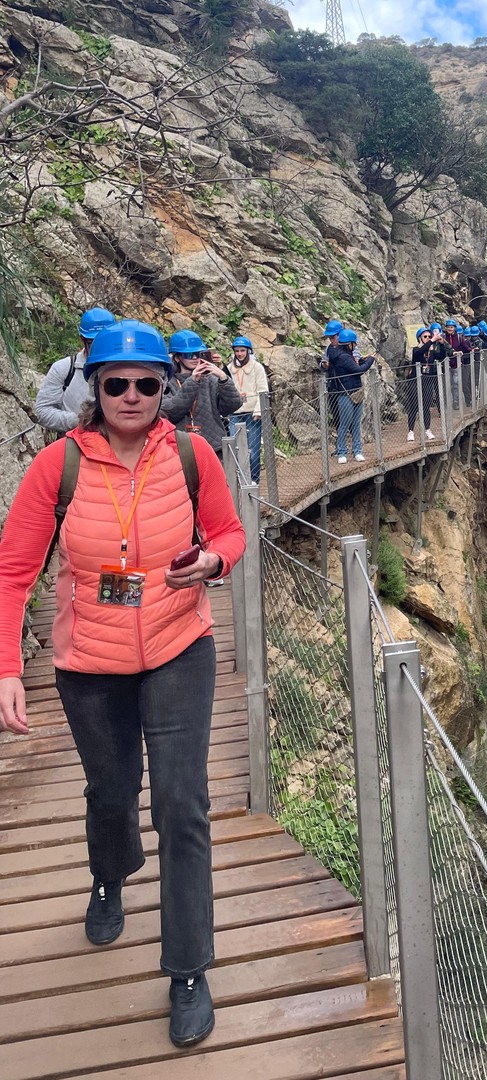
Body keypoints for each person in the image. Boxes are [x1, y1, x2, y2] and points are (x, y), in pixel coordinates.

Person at [0, 319, 247, 1048]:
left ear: (164, 386)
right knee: (112, 790)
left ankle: (189, 967)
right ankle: (110, 874)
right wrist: (8, 667)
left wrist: (214, 565)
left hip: (178, 645)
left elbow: (230, 533)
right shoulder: (59, 467)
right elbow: (14, 571)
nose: (133, 396)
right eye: (117, 384)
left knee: (182, 801)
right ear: (95, 388)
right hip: (90, 664)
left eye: (146, 383)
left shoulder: (194, 456)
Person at [34, 307, 117, 436]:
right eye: (93, 343)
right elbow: (42, 411)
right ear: (82, 340)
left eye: (105, 343)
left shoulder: (127, 370)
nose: (100, 349)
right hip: (74, 444)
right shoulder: (64, 369)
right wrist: (79, 421)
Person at [163, 330, 242, 457]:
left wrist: (223, 377)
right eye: (189, 355)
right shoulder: (168, 383)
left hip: (213, 447)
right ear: (177, 358)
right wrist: (193, 380)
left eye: (197, 354)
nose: (194, 358)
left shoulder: (211, 380)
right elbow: (171, 411)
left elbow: (232, 405)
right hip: (180, 449)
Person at [226, 336, 270, 483]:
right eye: (237, 351)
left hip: (252, 413)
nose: (239, 353)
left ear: (248, 351)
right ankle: (240, 479)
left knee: (253, 449)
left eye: (242, 350)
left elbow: (263, 390)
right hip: (235, 412)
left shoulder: (257, 367)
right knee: (235, 448)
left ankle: (254, 480)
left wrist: (258, 411)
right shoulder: (229, 369)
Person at [326, 329, 374, 462]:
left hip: (355, 392)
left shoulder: (345, 355)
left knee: (355, 423)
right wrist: (371, 360)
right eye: (354, 343)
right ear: (349, 344)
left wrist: (364, 361)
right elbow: (358, 370)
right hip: (346, 394)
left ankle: (357, 451)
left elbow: (355, 367)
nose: (356, 346)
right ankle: (342, 452)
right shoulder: (343, 357)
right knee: (345, 424)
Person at [405, 327, 442, 441]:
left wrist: (441, 343)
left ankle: (427, 430)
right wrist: (432, 340)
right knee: (413, 406)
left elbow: (442, 356)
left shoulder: (431, 352)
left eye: (429, 337)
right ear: (420, 338)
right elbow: (420, 352)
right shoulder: (416, 350)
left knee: (426, 406)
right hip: (415, 381)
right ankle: (411, 431)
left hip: (427, 381)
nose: (427, 338)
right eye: (425, 336)